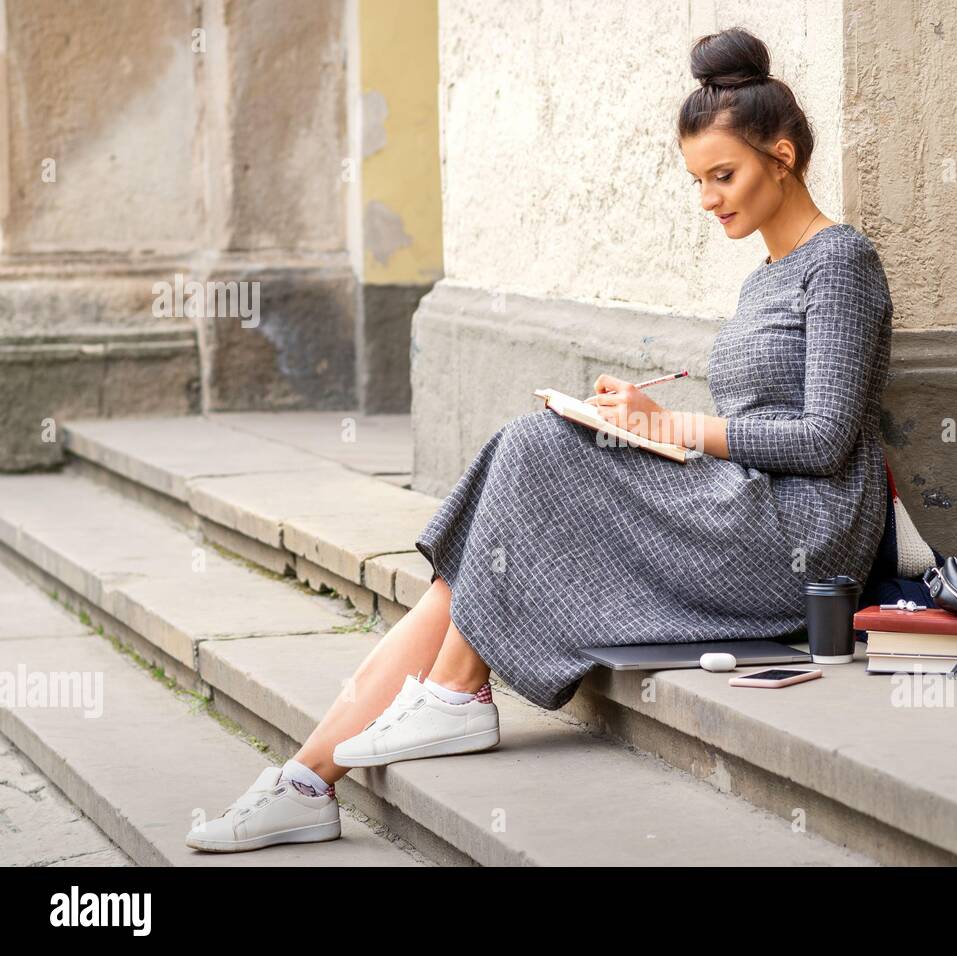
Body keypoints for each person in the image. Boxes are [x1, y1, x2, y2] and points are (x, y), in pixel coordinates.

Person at [185, 25, 892, 853]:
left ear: (783, 153)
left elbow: (825, 439)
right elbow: (761, 412)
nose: (709, 199)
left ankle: (442, 705)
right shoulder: (767, 274)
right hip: (743, 505)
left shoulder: (842, 263)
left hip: (803, 541)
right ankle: (308, 778)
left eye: (724, 176)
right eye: (697, 181)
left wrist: (676, 429)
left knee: (532, 453)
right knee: (512, 493)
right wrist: (639, 414)